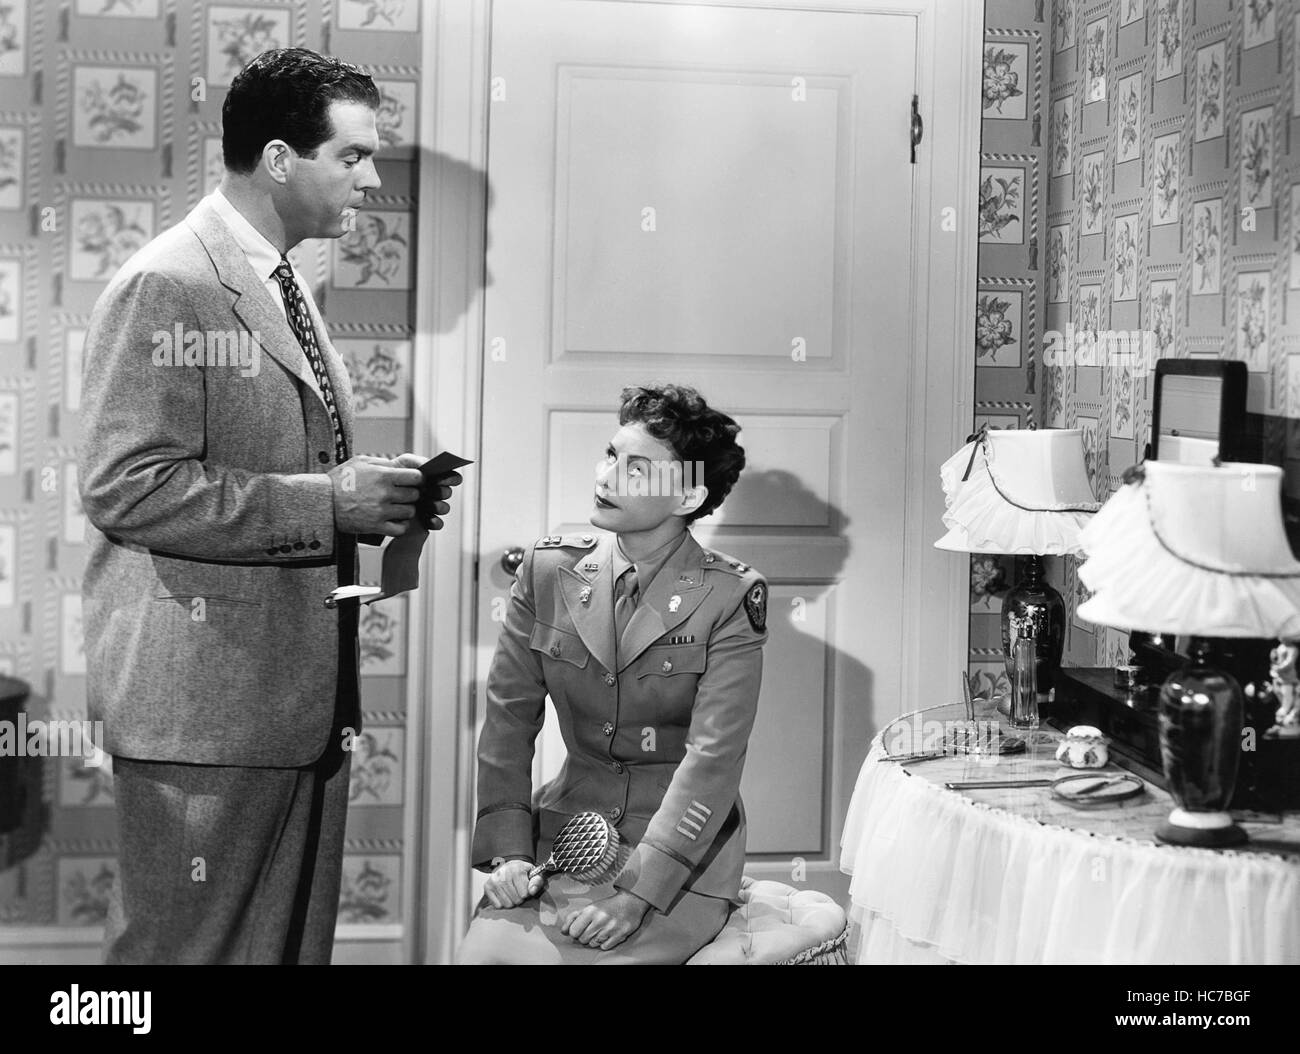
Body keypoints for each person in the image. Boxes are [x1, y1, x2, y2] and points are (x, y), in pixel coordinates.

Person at [77, 48, 455, 964]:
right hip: (208, 711)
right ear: (281, 159)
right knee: (185, 957)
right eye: (353, 156)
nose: (368, 180)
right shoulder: (170, 283)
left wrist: (377, 496)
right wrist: (329, 502)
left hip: (293, 702)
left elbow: (273, 459)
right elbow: (126, 484)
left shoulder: (280, 280)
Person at [458, 384, 768, 964]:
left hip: (679, 855)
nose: (606, 476)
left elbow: (713, 759)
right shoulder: (549, 570)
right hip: (564, 834)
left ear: (687, 497)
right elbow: (507, 720)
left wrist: (638, 893)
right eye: (610, 455)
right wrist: (507, 855)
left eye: (637, 468)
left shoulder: (730, 596)